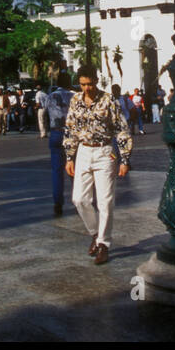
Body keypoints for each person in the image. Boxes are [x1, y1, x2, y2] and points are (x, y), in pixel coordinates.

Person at [64, 65, 132, 265]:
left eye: (90, 84)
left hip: (104, 151)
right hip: (83, 151)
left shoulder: (108, 100)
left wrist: (124, 158)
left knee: (104, 201)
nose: (87, 88)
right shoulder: (75, 100)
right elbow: (70, 129)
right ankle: (95, 232)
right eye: (83, 84)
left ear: (96, 81)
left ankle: (103, 243)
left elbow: (122, 129)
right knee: (79, 199)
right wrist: (69, 156)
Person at [39, 71, 76, 215]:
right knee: (74, 169)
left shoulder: (50, 96)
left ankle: (57, 202)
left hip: (55, 132)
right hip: (71, 134)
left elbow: (45, 113)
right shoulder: (74, 96)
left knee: (56, 171)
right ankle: (79, 199)